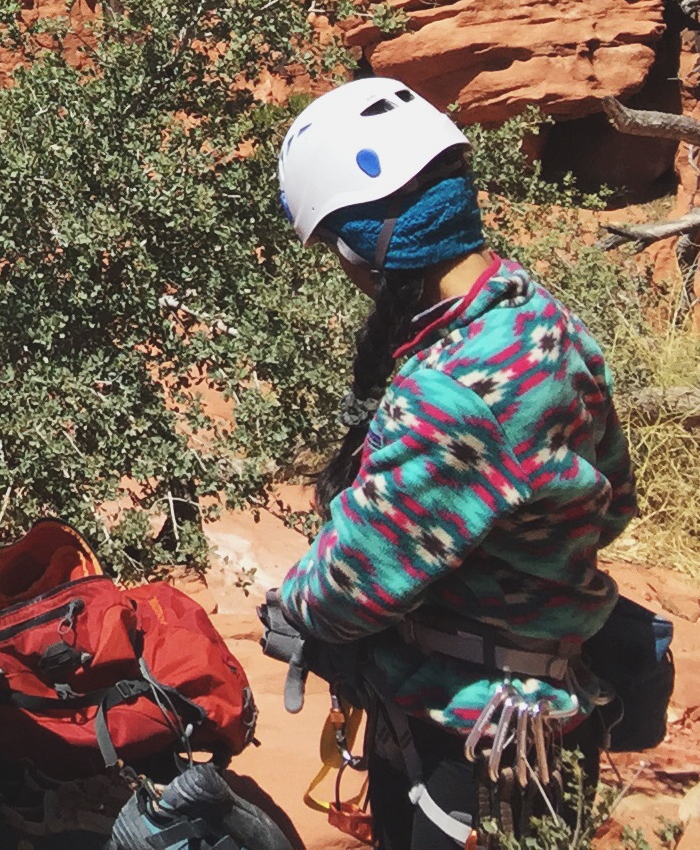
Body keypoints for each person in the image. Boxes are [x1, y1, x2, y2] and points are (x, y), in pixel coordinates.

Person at [262, 79, 634, 850]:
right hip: (545, 716)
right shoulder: (539, 317)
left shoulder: (450, 390)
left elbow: (350, 588)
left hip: (474, 745)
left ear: (356, 247)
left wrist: (289, 606)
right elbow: (617, 500)